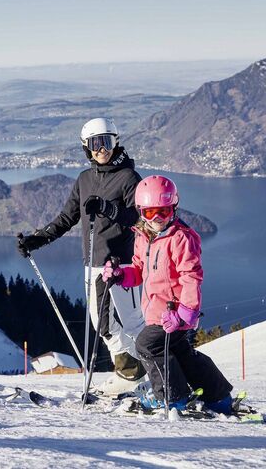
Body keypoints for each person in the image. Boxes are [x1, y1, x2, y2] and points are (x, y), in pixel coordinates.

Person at [17, 117, 146, 395]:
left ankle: (157, 375)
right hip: (94, 264)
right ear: (86, 148)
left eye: (107, 142)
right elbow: (67, 218)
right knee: (102, 324)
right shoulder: (85, 179)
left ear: (116, 141)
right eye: (96, 143)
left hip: (123, 262)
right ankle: (129, 371)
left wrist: (109, 210)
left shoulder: (128, 178)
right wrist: (36, 240)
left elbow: (139, 218)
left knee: (134, 322)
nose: (102, 149)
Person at [103, 175, 234, 413]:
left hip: (175, 315)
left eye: (163, 211)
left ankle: (172, 398)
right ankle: (218, 395)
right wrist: (120, 275)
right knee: (181, 353)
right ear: (141, 211)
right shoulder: (143, 237)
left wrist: (186, 312)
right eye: (151, 212)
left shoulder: (181, 238)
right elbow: (140, 271)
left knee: (147, 345)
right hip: (157, 314)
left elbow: (191, 277)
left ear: (173, 207)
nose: (158, 219)